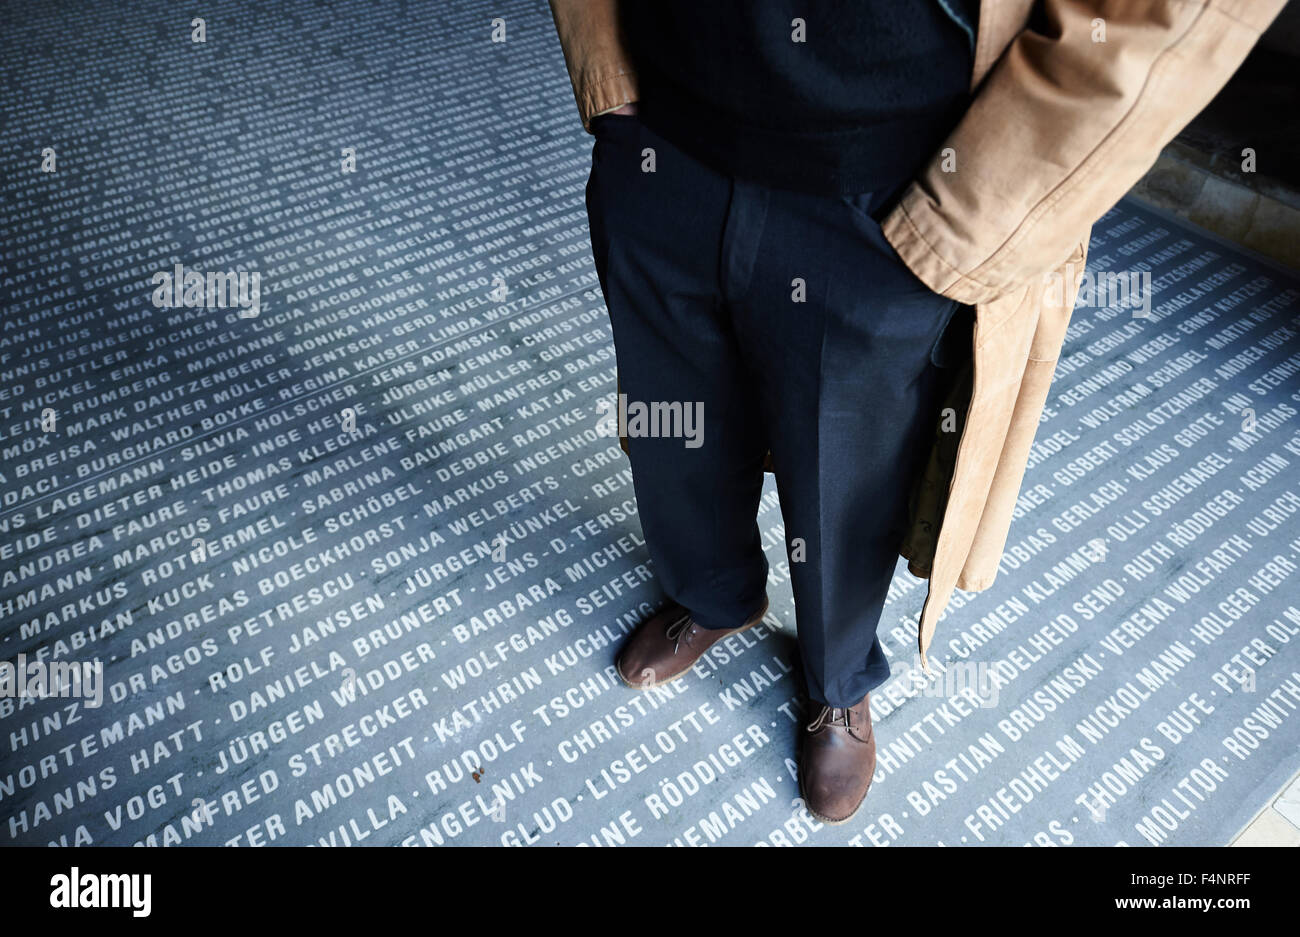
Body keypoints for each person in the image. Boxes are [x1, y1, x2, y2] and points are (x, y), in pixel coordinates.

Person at [548, 0, 1283, 824]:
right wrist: (608, 78)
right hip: (660, 135)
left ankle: (837, 679)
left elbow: (1164, 15)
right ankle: (714, 591)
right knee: (673, 421)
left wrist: (972, 215)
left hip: (893, 186)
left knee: (849, 470)